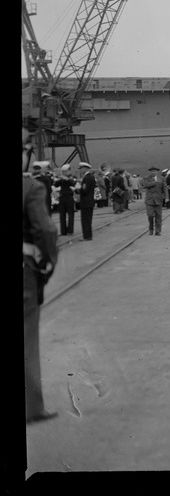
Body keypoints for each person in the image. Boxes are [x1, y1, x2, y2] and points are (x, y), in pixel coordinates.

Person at [23, 130, 59, 425]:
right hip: (24, 273)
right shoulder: (30, 188)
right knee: (26, 338)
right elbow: (46, 232)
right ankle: (31, 407)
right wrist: (47, 264)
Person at [53, 164, 77, 236]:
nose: (64, 173)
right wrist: (58, 179)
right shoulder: (61, 179)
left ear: (69, 171)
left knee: (70, 215)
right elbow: (56, 185)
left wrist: (66, 179)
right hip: (62, 198)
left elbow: (73, 184)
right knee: (62, 215)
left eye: (65, 172)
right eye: (63, 172)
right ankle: (63, 231)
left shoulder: (72, 177)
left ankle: (70, 231)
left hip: (69, 198)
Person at [143, 166, 166, 235]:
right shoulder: (146, 178)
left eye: (155, 171)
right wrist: (154, 182)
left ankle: (158, 231)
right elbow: (146, 185)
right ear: (150, 172)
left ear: (157, 172)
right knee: (150, 215)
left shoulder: (161, 178)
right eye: (152, 171)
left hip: (158, 199)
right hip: (149, 200)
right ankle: (151, 228)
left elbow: (164, 188)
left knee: (159, 216)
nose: (153, 172)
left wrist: (166, 197)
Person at [78, 162, 96, 240]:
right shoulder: (91, 177)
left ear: (85, 168)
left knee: (85, 220)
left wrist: (78, 188)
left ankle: (87, 236)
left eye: (81, 169)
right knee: (88, 220)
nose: (80, 170)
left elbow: (85, 190)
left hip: (86, 202)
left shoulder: (86, 178)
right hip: (90, 201)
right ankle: (88, 235)